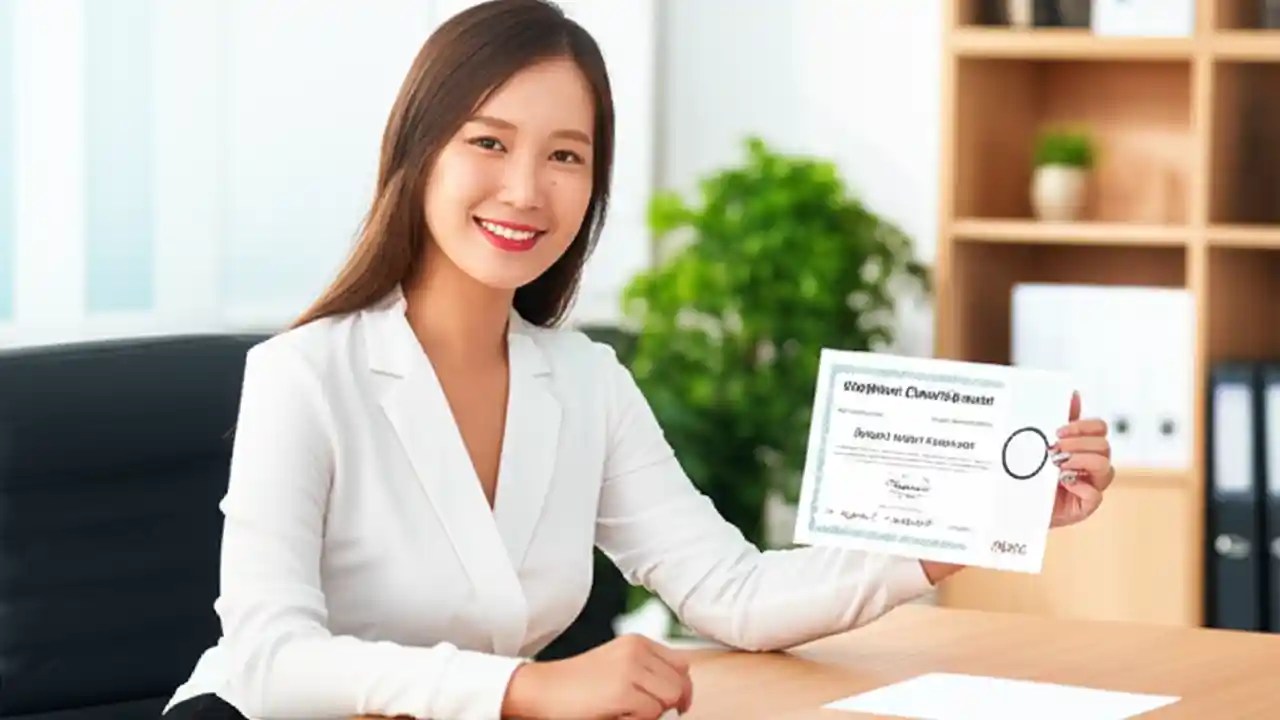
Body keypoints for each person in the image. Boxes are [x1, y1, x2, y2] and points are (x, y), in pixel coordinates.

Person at [161, 1, 1115, 718]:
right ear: (419, 155)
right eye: (488, 142)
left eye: (567, 157)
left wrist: (967, 525)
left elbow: (733, 593)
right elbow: (271, 654)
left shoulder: (585, 382)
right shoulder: (304, 376)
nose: (526, 189)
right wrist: (525, 689)